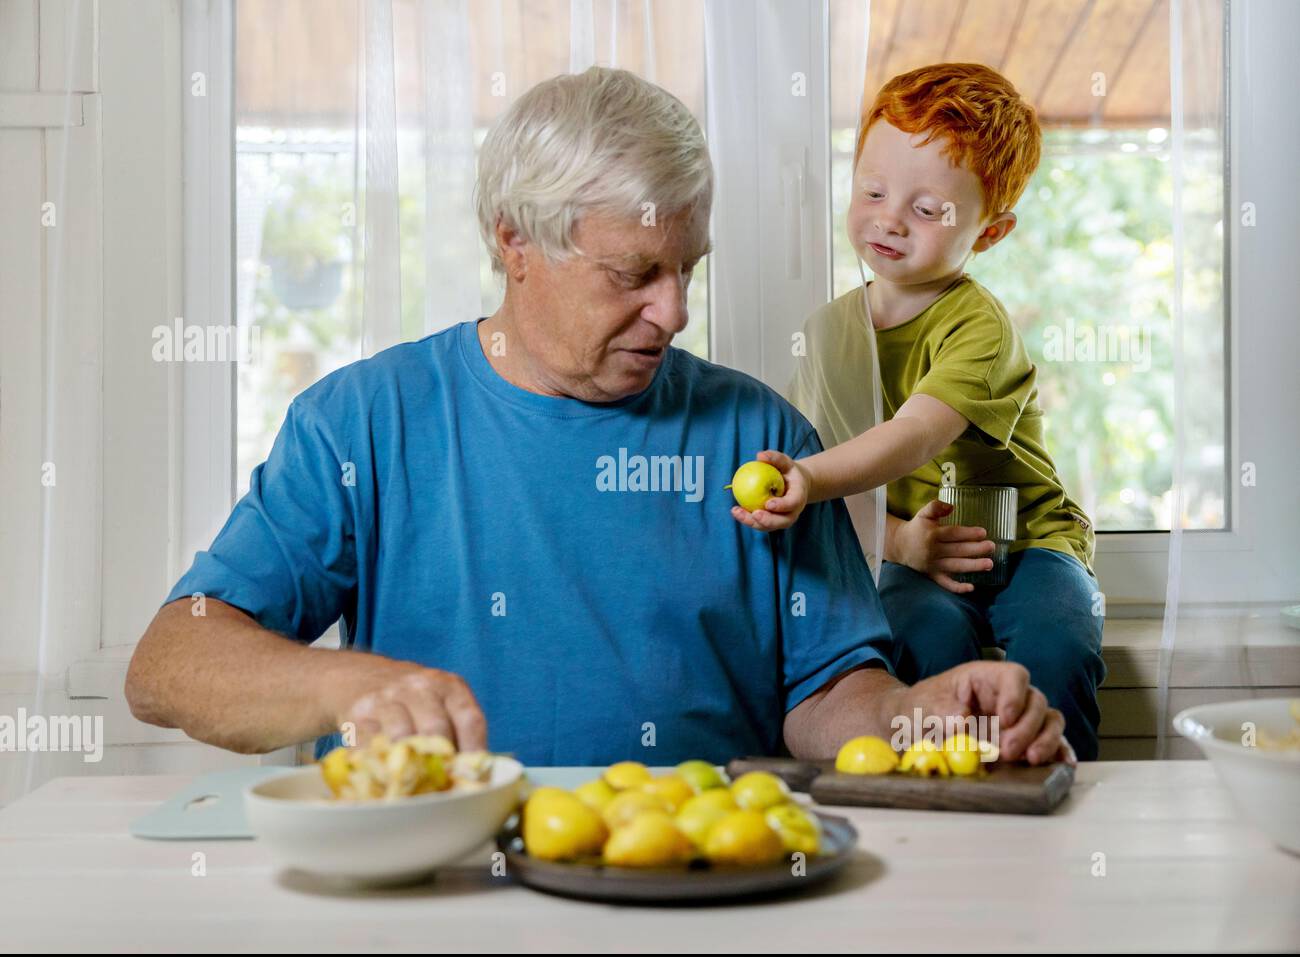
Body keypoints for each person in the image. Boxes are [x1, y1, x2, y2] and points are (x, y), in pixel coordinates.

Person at [125, 66, 1071, 768]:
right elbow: (171, 662)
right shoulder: (361, 424)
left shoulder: (761, 439)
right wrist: (352, 685)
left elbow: (830, 694)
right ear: (516, 242)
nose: (675, 312)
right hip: (438, 894)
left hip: (696, 887)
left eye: (687, 269)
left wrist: (919, 716)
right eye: (634, 274)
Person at [734, 64, 1103, 759]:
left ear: (990, 234)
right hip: (920, 550)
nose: (889, 219)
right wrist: (896, 540)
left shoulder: (980, 328)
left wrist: (808, 478)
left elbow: (914, 434)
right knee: (917, 638)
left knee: (1059, 645)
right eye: (873, 191)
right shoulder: (828, 334)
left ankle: (1059, 789)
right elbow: (841, 468)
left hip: (1027, 543)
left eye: (928, 210)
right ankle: (950, 790)